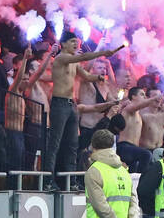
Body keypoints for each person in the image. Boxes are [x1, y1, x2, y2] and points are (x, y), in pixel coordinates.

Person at [44, 35, 123, 189]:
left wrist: (99, 77)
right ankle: (48, 180)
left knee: (73, 144)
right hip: (59, 103)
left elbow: (86, 76)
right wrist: (102, 52)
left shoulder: (73, 61)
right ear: (63, 44)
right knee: (55, 143)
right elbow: (85, 56)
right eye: (72, 41)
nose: (76, 44)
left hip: (71, 105)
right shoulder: (62, 58)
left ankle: (71, 181)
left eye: (77, 42)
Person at [84, 129, 139, 218]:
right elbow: (134, 205)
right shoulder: (124, 171)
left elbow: (102, 208)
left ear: (93, 146)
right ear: (112, 145)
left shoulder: (94, 171)